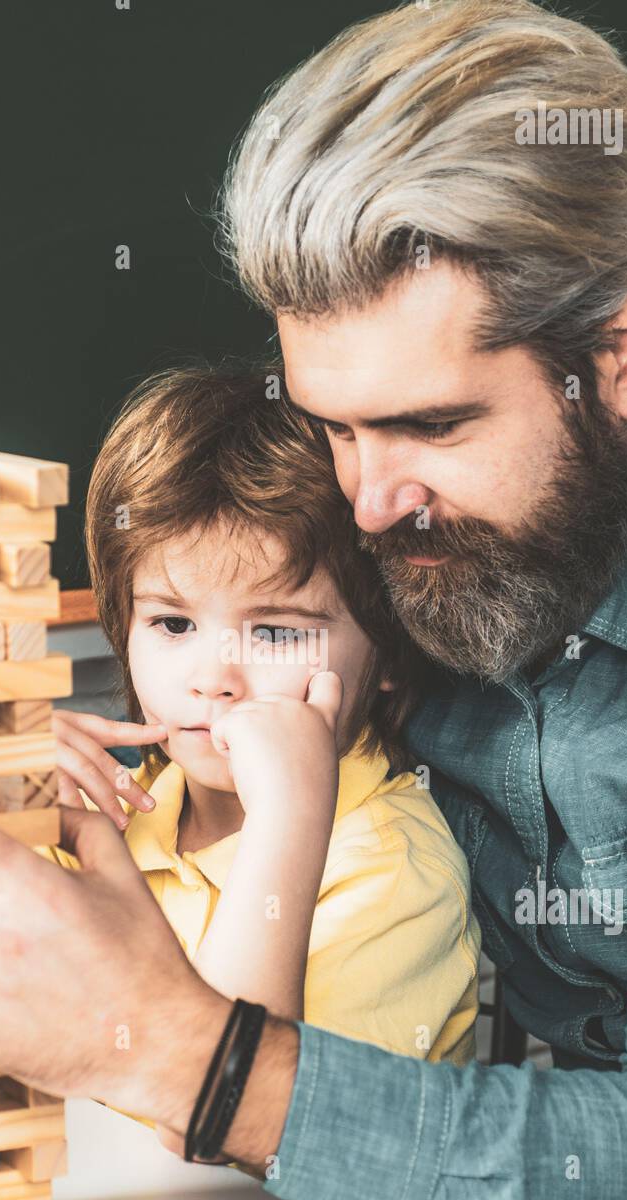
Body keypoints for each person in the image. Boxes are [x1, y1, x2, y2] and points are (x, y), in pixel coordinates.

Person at [0, 0, 627, 1200]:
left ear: (621, 353)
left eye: (425, 424)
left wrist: (178, 1051)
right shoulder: (428, 529)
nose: (365, 505)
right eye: (334, 427)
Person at [36, 365, 480, 1088]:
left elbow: (227, 1119)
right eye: (172, 622)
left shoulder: (392, 874)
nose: (214, 678)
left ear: (392, 651)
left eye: (274, 634)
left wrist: (287, 818)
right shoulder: (109, 805)